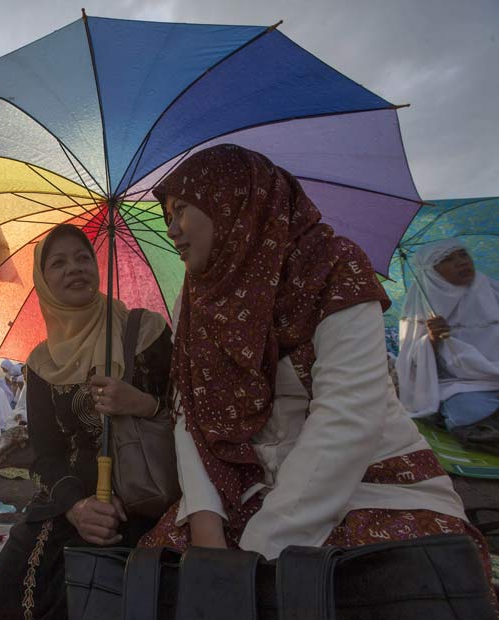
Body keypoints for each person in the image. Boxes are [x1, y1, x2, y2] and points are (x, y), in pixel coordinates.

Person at [140, 145, 488, 581]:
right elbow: (190, 415)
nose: (171, 229)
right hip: (242, 487)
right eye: (168, 216)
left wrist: (256, 552)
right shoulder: (196, 299)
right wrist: (207, 527)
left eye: (181, 210)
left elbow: (348, 415)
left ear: (231, 202)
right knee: (161, 579)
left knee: (387, 585)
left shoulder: (331, 268)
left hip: (364, 480)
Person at [0, 224, 172, 619]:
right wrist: (76, 507)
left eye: (84, 257)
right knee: (10, 594)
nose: (75, 268)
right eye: (59, 263)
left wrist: (141, 404)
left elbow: (191, 418)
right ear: (44, 281)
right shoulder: (41, 363)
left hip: (146, 493)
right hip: (72, 498)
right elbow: (46, 454)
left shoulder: (145, 332)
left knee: (115, 596)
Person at [396, 240, 499, 445]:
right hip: (462, 385)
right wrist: (431, 339)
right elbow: (410, 364)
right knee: (467, 411)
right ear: (431, 271)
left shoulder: (491, 289)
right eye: (448, 259)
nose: (461, 263)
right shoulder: (421, 303)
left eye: (463, 255)